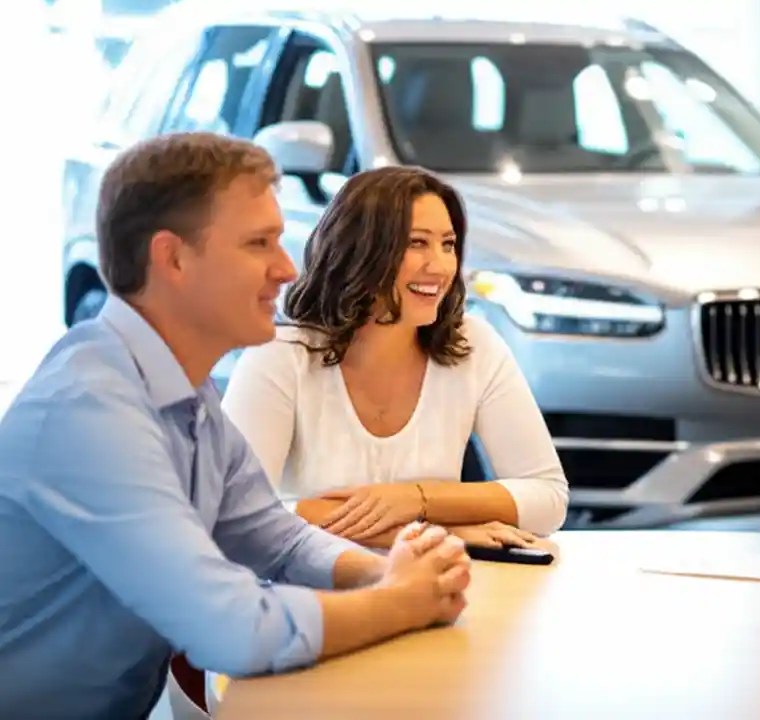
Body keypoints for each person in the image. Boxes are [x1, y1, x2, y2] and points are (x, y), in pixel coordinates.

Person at [0, 133, 471, 719]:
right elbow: (235, 630)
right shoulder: (89, 410)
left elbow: (273, 536)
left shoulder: (181, 387)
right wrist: (402, 600)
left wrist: (393, 570)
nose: (287, 267)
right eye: (259, 244)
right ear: (172, 258)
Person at [221, 166, 568, 550]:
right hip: (306, 596)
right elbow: (239, 517)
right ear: (360, 250)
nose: (439, 266)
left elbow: (547, 498)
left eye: (448, 245)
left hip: (435, 590)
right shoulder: (280, 355)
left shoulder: (473, 345)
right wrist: (432, 532)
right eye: (417, 243)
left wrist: (417, 498)